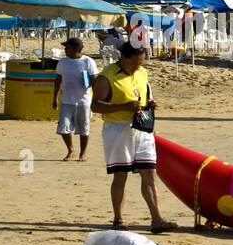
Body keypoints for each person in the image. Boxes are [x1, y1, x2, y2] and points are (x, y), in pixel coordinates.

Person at [90, 43, 176, 233]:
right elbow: (95, 106)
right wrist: (123, 106)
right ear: (124, 57)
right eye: (136, 62)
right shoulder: (107, 76)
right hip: (117, 130)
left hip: (142, 128)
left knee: (150, 174)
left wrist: (150, 104)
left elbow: (143, 95)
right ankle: (118, 220)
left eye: (141, 62)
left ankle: (157, 219)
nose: (139, 66)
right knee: (121, 175)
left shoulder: (142, 73)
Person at [53, 37, 98, 162]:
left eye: (67, 47)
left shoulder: (88, 62)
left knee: (84, 128)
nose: (65, 49)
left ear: (75, 49)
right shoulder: (63, 61)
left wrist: (96, 99)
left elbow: (94, 80)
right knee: (63, 127)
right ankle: (70, 149)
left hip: (84, 101)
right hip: (66, 100)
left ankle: (82, 153)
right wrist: (55, 97)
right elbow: (58, 80)